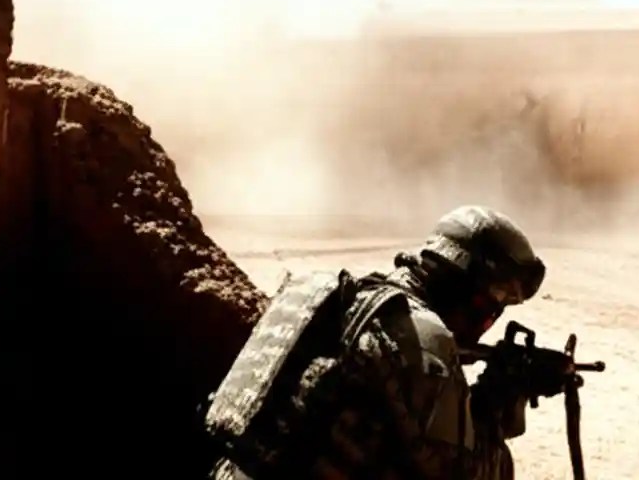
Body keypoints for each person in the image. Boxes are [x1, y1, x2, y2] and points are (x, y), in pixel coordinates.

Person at [205, 205, 550, 479]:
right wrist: (492, 407)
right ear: (473, 291)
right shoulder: (421, 338)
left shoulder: (334, 298)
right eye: (498, 300)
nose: (493, 317)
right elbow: (467, 473)